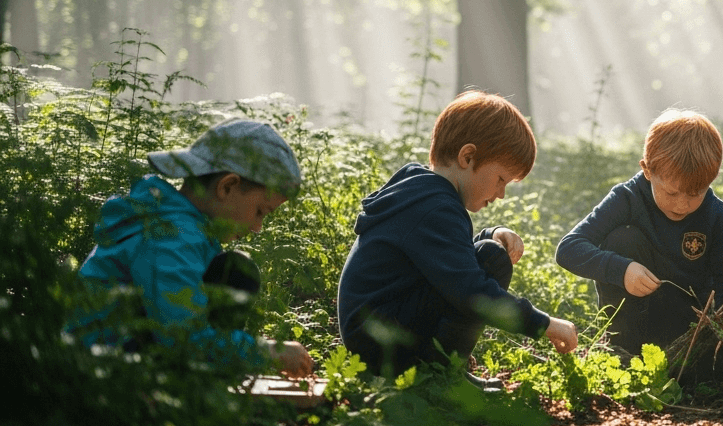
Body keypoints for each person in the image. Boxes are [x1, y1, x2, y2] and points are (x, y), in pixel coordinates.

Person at [337, 90, 578, 383]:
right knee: (489, 261)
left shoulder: (423, 192)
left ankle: (441, 372)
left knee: (490, 251)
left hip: (375, 331)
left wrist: (491, 233)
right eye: (501, 179)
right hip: (381, 342)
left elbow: (447, 253)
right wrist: (545, 324)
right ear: (468, 156)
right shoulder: (436, 208)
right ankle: (440, 379)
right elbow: (472, 292)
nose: (501, 194)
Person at [69, 118, 313, 376]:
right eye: (260, 211)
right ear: (227, 186)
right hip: (95, 373)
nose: (257, 227)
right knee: (237, 271)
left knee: (236, 271)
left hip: (117, 358)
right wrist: (268, 353)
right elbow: (183, 339)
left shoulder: (181, 227)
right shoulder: (170, 237)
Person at [555, 109, 723, 379]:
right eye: (671, 192)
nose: (682, 204)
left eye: (695, 194)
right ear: (647, 170)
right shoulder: (627, 199)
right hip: (635, 327)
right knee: (623, 238)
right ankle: (622, 353)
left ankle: (685, 369)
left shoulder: (716, 215)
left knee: (708, 375)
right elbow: (569, 249)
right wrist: (622, 270)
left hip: (688, 331)